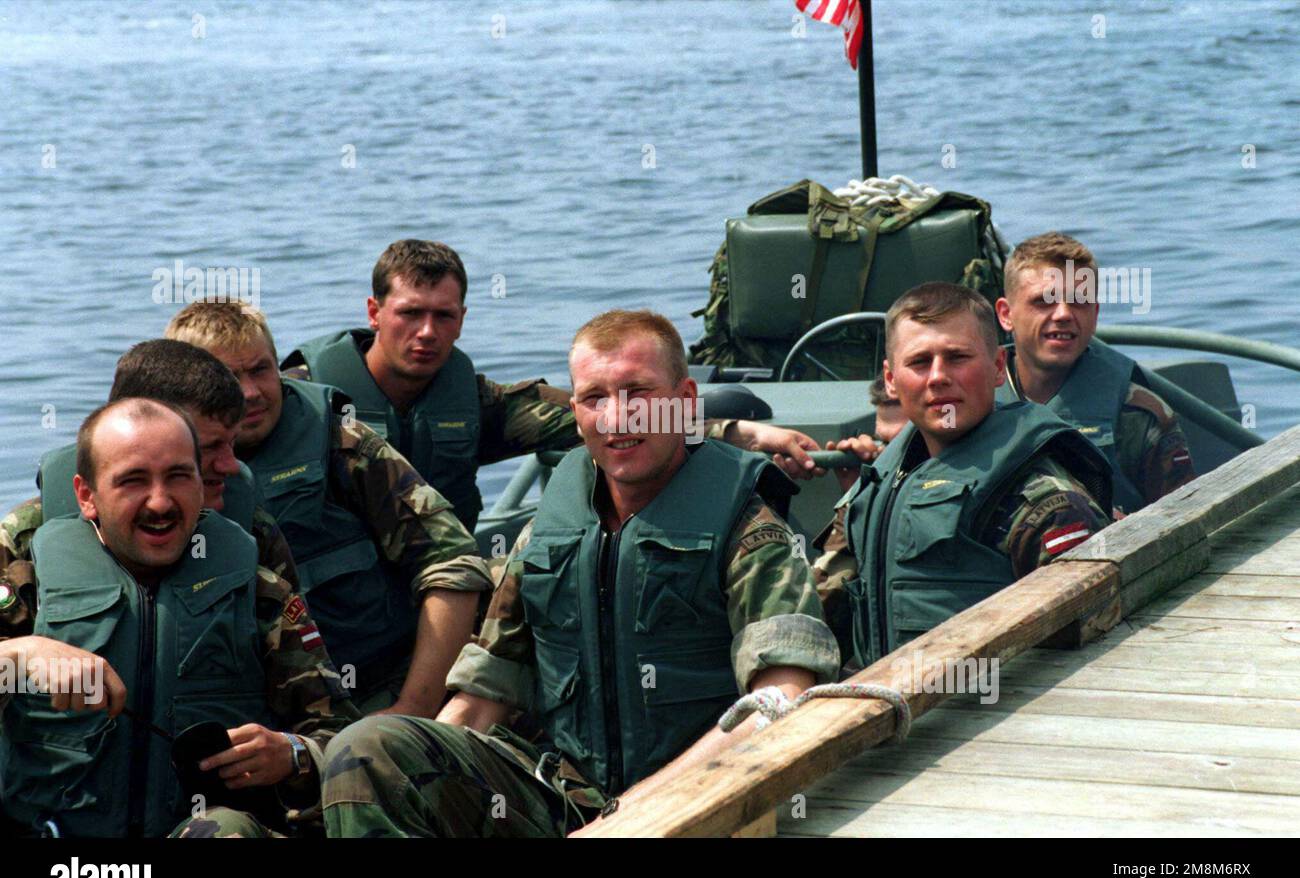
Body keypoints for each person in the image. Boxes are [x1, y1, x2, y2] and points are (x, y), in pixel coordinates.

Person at [319, 310, 841, 837]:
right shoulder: (549, 531)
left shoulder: (747, 527)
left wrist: (648, 808)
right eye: (595, 398)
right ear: (575, 412)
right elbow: (483, 698)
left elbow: (781, 697)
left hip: (707, 797)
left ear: (685, 401)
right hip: (566, 796)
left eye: (637, 393)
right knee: (366, 751)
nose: (618, 418)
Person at [281, 239, 834, 531]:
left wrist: (747, 433)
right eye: (410, 313)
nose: (427, 333)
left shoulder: (473, 404)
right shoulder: (299, 398)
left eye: (443, 316)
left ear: (464, 319)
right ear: (374, 312)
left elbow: (605, 420)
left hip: (439, 585)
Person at [0, 398, 356, 838]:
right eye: (133, 481)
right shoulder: (27, 584)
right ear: (87, 496)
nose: (160, 502)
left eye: (178, 477)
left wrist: (292, 753)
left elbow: (339, 737)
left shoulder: (261, 594)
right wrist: (19, 655)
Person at [165, 301, 493, 716]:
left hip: (370, 697)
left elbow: (454, 563)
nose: (250, 393)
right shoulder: (150, 470)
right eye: (228, 377)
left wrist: (413, 708)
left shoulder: (337, 437)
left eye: (261, 370)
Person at [813, 283, 1113, 669]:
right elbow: (823, 607)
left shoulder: (1042, 501)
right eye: (919, 362)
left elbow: (1091, 642)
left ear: (997, 368)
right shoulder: (874, 490)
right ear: (890, 379)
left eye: (957, 358)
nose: (938, 377)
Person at [0, 339, 300, 646]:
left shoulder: (252, 533)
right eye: (208, 447)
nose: (230, 466)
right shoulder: (26, 538)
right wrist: (24, 654)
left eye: (232, 443)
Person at [994, 232, 1196, 513]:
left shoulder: (1138, 415)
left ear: (1095, 313)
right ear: (1006, 314)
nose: (1064, 314)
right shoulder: (970, 399)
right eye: (1044, 302)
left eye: (1079, 301)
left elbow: (1183, 522)